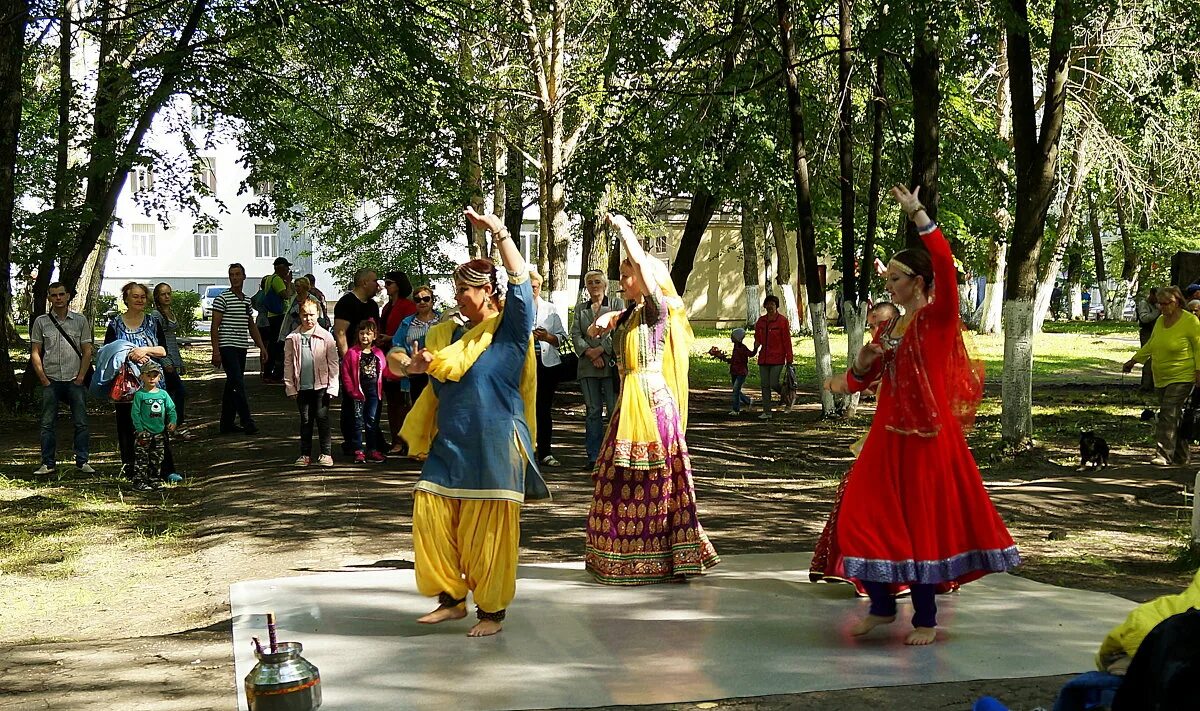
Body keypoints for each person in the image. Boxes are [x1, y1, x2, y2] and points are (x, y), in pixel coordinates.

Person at [816, 185, 1020, 645]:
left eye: (895, 279)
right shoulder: (892, 324)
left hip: (928, 440)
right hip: (887, 436)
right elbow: (869, 374)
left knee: (922, 524)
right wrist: (852, 376)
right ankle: (883, 606)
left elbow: (945, 263)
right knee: (860, 514)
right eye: (887, 280)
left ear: (919, 282)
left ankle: (925, 618)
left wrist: (919, 214)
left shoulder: (940, 316)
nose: (888, 287)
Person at [390, 206, 549, 637]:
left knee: (489, 532)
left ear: (487, 292)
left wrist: (498, 231)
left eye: (464, 290)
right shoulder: (445, 336)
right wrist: (413, 366)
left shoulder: (509, 331)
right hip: (451, 443)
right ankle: (453, 599)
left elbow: (520, 283)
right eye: (455, 289)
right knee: (430, 508)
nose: (457, 296)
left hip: (496, 444)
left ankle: (492, 613)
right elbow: (396, 356)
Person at [583, 213, 719, 585]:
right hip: (628, 406)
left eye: (627, 275)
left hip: (653, 406)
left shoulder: (658, 312)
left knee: (655, 484)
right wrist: (609, 317)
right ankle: (622, 558)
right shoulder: (629, 314)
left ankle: (662, 559)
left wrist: (625, 231)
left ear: (646, 279)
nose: (622, 280)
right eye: (623, 274)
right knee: (614, 483)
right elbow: (619, 318)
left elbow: (643, 267)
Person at [1122, 285, 1200, 466]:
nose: (1164, 307)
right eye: (1161, 304)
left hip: (1182, 375)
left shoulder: (1190, 322)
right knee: (1172, 416)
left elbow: (1198, 348)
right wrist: (1133, 360)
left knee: (1168, 412)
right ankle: (1181, 456)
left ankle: (1163, 454)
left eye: (1167, 303)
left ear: (1178, 302)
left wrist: (1198, 373)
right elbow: (1151, 345)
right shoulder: (1159, 321)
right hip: (1161, 376)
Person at [104, 282, 174, 479]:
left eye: (142, 296)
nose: (139, 300)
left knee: (157, 426)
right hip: (126, 385)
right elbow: (108, 354)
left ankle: (164, 470)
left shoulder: (153, 322)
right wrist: (129, 354)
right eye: (135, 296)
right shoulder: (115, 324)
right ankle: (131, 469)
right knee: (127, 427)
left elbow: (162, 350)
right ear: (126, 299)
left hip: (152, 384)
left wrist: (144, 350)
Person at [30, 281, 94, 476]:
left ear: (68, 296)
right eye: (54, 295)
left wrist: (81, 377)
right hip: (51, 380)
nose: (58, 298)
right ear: (49, 298)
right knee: (47, 424)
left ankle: (82, 461)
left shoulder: (80, 320)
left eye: (61, 294)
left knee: (81, 422)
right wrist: (43, 379)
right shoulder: (41, 321)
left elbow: (87, 350)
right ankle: (48, 463)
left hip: (75, 378)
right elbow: (35, 351)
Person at [211, 263, 268, 435]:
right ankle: (247, 420)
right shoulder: (222, 298)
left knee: (233, 384)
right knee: (237, 382)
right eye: (231, 274)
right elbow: (215, 326)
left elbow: (251, 326)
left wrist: (262, 347)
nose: (234, 277)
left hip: (241, 346)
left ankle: (226, 424)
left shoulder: (246, 301)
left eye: (237, 274)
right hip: (227, 345)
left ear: (244, 276)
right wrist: (216, 351)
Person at [570, 269, 619, 470]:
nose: (594, 285)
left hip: (609, 365)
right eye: (590, 282)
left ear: (605, 284)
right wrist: (590, 353)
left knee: (614, 410)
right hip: (588, 366)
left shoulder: (616, 304)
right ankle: (593, 457)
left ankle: (615, 456)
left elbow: (617, 331)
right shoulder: (581, 308)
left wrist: (601, 351)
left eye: (598, 281)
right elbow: (575, 334)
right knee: (593, 411)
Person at [284, 299, 339, 467]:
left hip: (321, 385)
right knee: (306, 420)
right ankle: (305, 454)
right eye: (305, 315)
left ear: (318, 315)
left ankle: (326, 453)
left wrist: (333, 385)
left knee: (322, 419)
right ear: (299, 316)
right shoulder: (292, 338)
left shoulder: (326, 336)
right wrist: (290, 386)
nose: (308, 319)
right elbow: (288, 363)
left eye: (312, 315)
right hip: (302, 387)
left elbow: (333, 363)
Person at [334, 268, 381, 454]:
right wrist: (348, 361)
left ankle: (373, 441)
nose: (377, 285)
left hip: (371, 362)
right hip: (353, 361)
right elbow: (340, 332)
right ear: (364, 282)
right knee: (351, 403)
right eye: (374, 280)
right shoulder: (346, 303)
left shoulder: (373, 305)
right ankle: (351, 443)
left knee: (373, 401)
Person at [391, 285, 441, 454]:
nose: (422, 302)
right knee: (418, 408)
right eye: (418, 299)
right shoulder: (407, 323)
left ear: (432, 300)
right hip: (416, 374)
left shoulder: (443, 320)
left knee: (438, 410)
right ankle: (420, 448)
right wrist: (406, 360)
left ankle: (436, 447)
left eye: (426, 298)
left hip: (437, 372)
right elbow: (397, 344)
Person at [530, 269, 569, 467]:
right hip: (523, 365)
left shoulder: (550, 309)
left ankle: (545, 452)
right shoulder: (515, 309)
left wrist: (547, 337)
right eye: (527, 287)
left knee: (543, 409)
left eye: (535, 287)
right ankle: (526, 452)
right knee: (522, 408)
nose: (531, 290)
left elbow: (562, 338)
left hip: (546, 365)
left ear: (540, 287)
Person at [379, 271, 417, 453]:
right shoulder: (387, 306)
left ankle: (405, 441)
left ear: (399, 285)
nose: (386, 286)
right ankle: (396, 440)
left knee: (403, 401)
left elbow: (411, 331)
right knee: (392, 401)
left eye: (389, 283)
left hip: (401, 357)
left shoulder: (407, 306)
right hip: (387, 357)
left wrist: (390, 337)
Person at [151, 282, 192, 439]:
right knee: (178, 392)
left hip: (173, 356)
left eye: (169, 293)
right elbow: (157, 339)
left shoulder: (170, 312)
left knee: (172, 393)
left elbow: (172, 339)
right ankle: (176, 425)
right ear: (157, 297)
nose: (167, 296)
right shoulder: (156, 315)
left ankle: (170, 427)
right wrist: (165, 361)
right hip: (163, 359)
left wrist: (179, 361)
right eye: (163, 294)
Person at [341, 319, 386, 464]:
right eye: (362, 333)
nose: (365, 336)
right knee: (357, 421)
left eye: (368, 333)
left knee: (372, 421)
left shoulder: (378, 353)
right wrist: (351, 390)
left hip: (374, 391)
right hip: (358, 392)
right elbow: (346, 373)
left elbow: (385, 371)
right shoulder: (352, 353)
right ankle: (358, 450)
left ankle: (372, 450)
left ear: (374, 336)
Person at [129, 361, 177, 491]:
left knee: (157, 458)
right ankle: (139, 481)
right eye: (148, 375)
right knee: (142, 459)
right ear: (142, 377)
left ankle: (154, 479)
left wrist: (172, 421)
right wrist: (140, 430)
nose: (152, 378)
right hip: (144, 433)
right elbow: (135, 413)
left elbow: (171, 409)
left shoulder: (163, 394)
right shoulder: (140, 395)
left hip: (160, 432)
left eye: (155, 375)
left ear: (159, 377)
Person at [752, 294, 793, 420]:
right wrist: (754, 349)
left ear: (776, 306)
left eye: (773, 304)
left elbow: (787, 340)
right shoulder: (761, 321)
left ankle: (787, 398)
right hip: (763, 358)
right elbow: (757, 338)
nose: (770, 306)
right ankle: (767, 412)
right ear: (765, 306)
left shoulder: (782, 321)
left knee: (773, 382)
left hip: (778, 358)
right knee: (764, 385)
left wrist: (789, 358)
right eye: (768, 304)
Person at [709, 327, 754, 416]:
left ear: (737, 338)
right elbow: (732, 360)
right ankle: (748, 401)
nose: (731, 338)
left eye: (732, 336)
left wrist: (756, 347)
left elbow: (751, 354)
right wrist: (721, 357)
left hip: (741, 372)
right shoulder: (735, 347)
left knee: (736, 390)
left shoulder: (743, 348)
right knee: (736, 390)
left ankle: (736, 409)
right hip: (734, 371)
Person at [1135, 287, 1161, 392]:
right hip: (1147, 332)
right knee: (1148, 358)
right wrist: (1158, 311)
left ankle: (1154, 384)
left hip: (1157, 332)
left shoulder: (1157, 304)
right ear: (1152, 294)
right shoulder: (1144, 303)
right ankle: (1146, 385)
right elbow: (1144, 318)